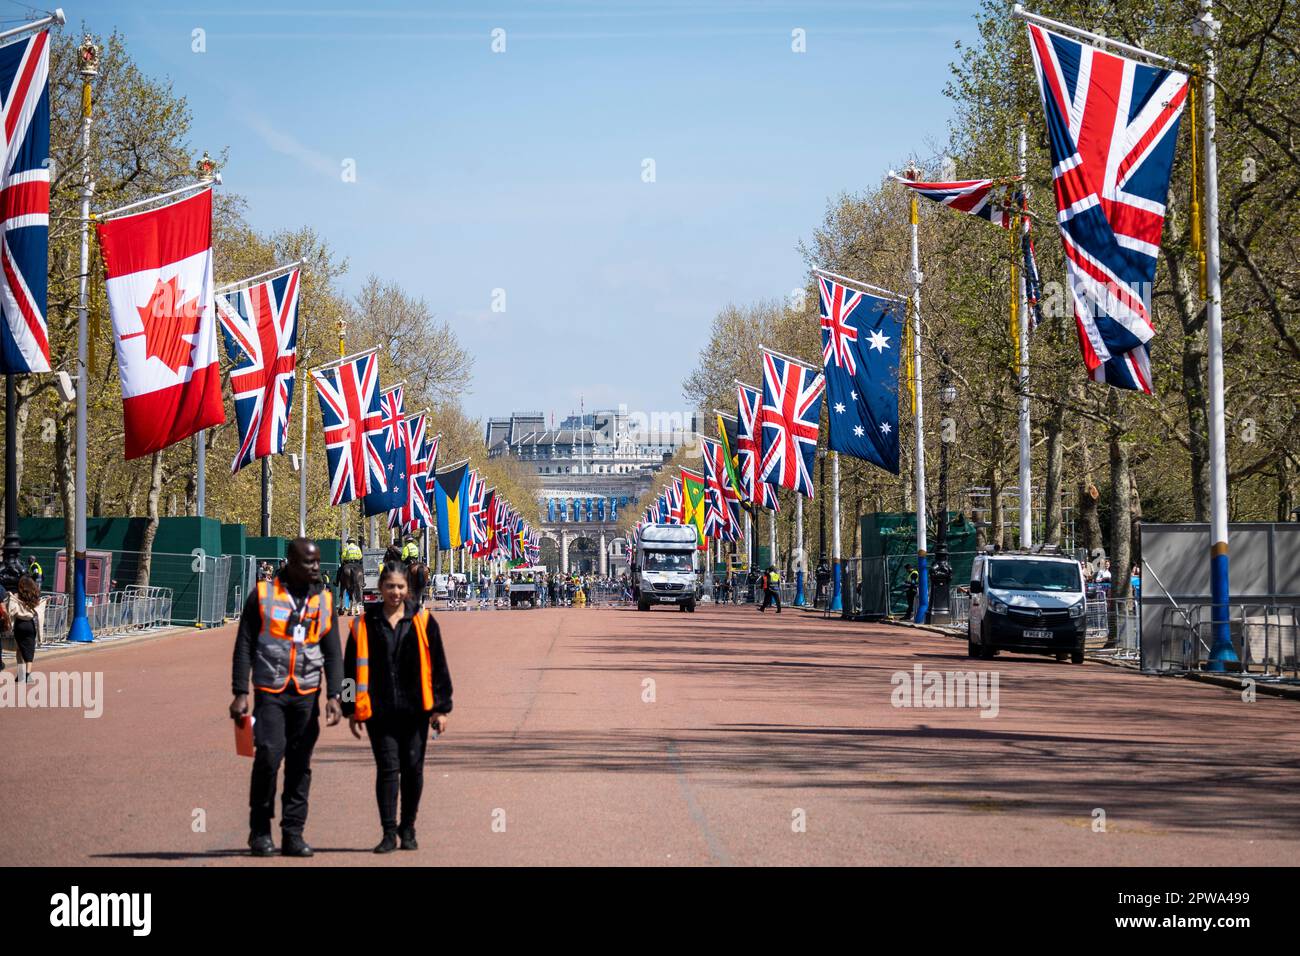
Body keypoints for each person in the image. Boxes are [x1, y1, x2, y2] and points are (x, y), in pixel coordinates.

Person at [230, 538, 342, 858]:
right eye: (309, 562)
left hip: (307, 694)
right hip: (270, 692)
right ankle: (260, 830)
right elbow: (244, 645)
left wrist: (336, 695)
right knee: (267, 755)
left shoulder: (323, 601)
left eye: (318, 561)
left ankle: (293, 833)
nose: (316, 567)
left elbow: (333, 652)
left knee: (299, 765)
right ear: (290, 562)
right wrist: (240, 692)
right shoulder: (263, 596)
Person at [343, 562, 453, 853]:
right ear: (380, 588)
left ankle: (409, 827)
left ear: (408, 589)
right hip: (378, 709)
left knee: (413, 769)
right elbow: (349, 670)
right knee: (388, 769)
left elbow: (439, 665)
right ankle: (388, 832)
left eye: (400, 587)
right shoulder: (364, 623)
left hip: (416, 708)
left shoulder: (424, 620)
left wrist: (441, 708)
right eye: (390, 586)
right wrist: (349, 707)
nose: (395, 592)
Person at [4, 576, 45, 683]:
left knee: (19, 649)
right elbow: (39, 608)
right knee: (29, 649)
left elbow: (12, 610)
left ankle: (20, 674)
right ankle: (27, 675)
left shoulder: (16, 596)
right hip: (30, 625)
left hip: (19, 625)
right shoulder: (35, 598)